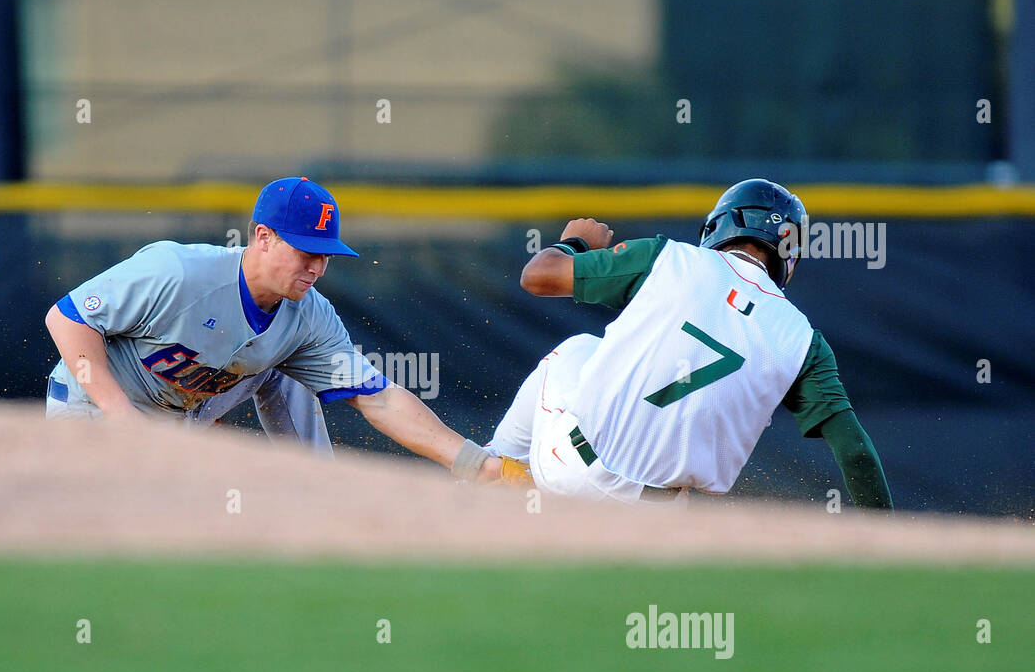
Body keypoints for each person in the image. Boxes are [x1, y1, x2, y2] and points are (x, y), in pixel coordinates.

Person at [44, 176, 500, 482]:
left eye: (326, 256)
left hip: (178, 411)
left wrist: (475, 463)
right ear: (264, 237)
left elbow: (376, 397)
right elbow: (66, 318)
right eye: (307, 252)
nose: (318, 267)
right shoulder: (178, 270)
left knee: (286, 363)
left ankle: (312, 489)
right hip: (94, 405)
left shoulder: (310, 317)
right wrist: (121, 417)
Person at [487, 178, 893, 508]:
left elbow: (537, 277)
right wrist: (888, 545)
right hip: (658, 517)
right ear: (790, 253)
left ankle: (489, 471)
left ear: (720, 226)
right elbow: (855, 451)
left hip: (571, 471)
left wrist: (574, 242)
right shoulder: (803, 341)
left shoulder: (668, 258)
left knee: (577, 350)